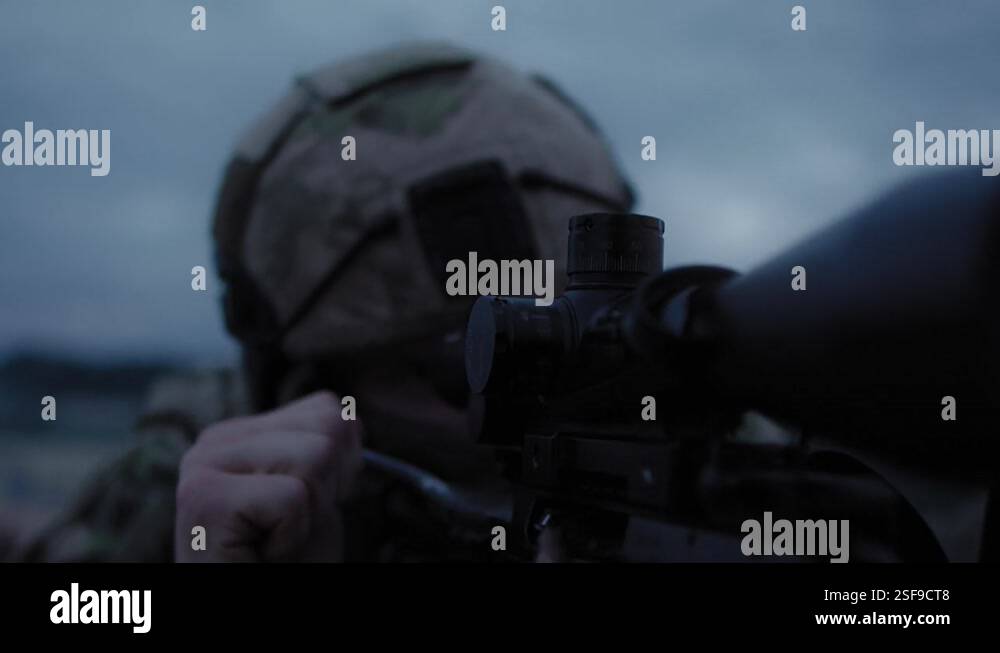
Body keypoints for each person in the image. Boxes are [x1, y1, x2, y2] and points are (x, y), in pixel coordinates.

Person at [15, 41, 635, 563]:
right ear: (310, 385)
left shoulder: (691, 464)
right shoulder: (193, 484)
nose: (528, 397)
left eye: (562, 340)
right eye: (451, 363)